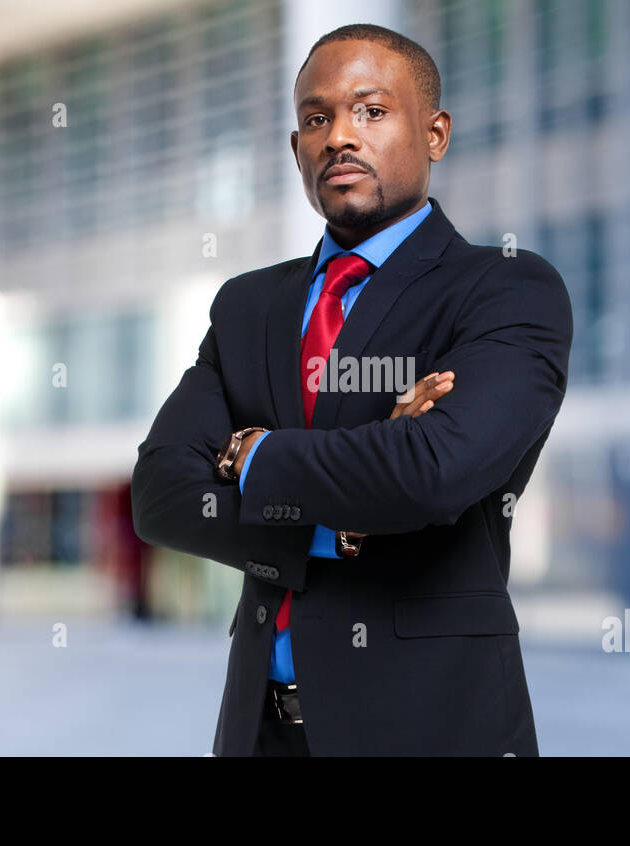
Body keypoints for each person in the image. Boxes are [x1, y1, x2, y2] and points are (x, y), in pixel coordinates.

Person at [131, 23, 572, 756]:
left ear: (434, 133)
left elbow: (432, 472)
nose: (339, 135)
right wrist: (343, 522)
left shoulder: (507, 289)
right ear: (295, 148)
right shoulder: (247, 307)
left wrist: (252, 452)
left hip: (431, 728)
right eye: (315, 118)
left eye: (371, 111)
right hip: (259, 733)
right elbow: (163, 495)